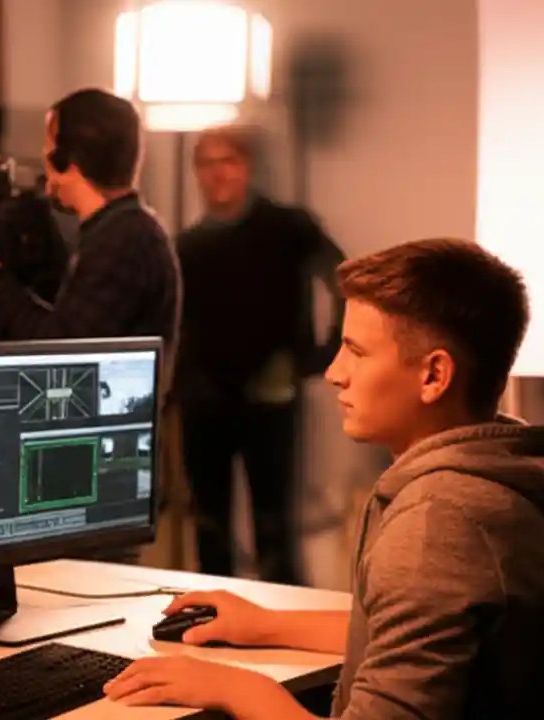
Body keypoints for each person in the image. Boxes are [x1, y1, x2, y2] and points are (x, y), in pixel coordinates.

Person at [104, 238, 544, 718]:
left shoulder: (437, 526)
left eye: (356, 351)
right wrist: (265, 625)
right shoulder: (499, 478)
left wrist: (232, 688)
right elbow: (401, 633)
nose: (335, 372)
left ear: (433, 376)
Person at [174, 125, 345, 585]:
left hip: (270, 393)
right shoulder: (188, 246)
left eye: (227, 161)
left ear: (246, 166)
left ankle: (284, 615)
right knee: (210, 525)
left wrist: (326, 352)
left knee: (274, 523)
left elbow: (344, 279)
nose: (218, 173)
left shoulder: (287, 228)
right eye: (207, 163)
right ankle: (214, 613)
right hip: (205, 398)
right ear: (196, 172)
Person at [0, 88, 180, 346]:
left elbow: (62, 347)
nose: (44, 156)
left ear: (66, 161)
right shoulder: (124, 230)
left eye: (49, 144)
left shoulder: (122, 241)